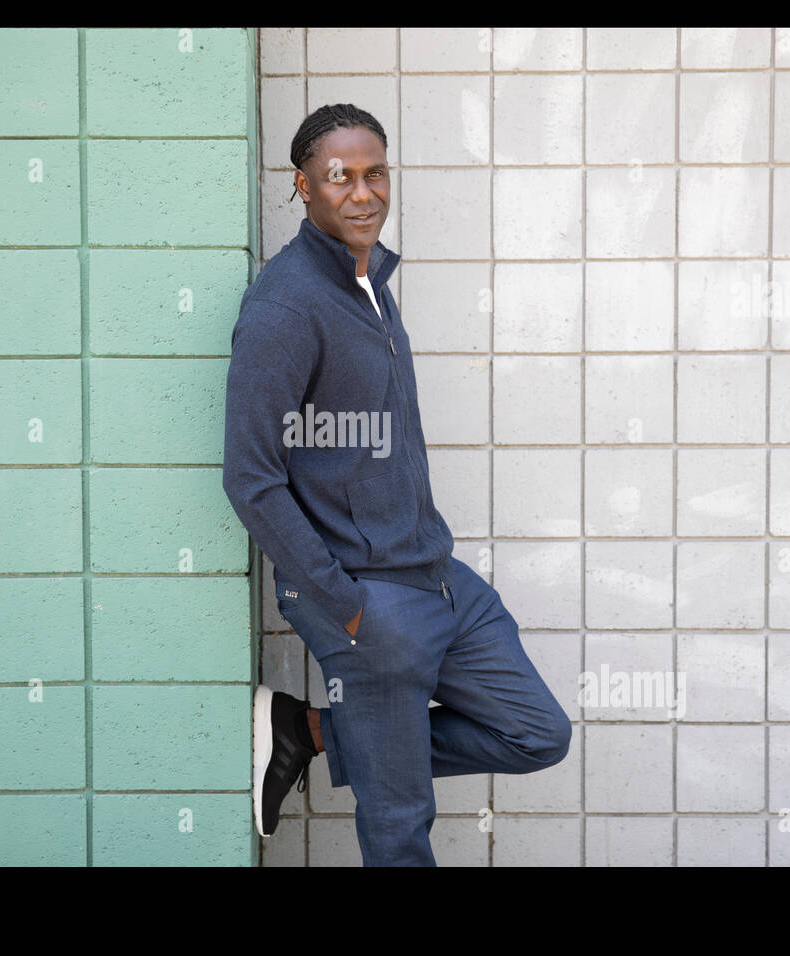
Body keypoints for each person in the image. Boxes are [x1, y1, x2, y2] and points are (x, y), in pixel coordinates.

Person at [222, 104, 572, 866]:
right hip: (368, 602)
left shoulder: (369, 283)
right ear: (303, 186)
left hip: (437, 579)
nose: (361, 192)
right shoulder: (285, 306)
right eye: (338, 176)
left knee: (537, 732)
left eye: (374, 172)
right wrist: (343, 603)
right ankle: (360, 739)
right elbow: (250, 478)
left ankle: (311, 732)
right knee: (400, 835)